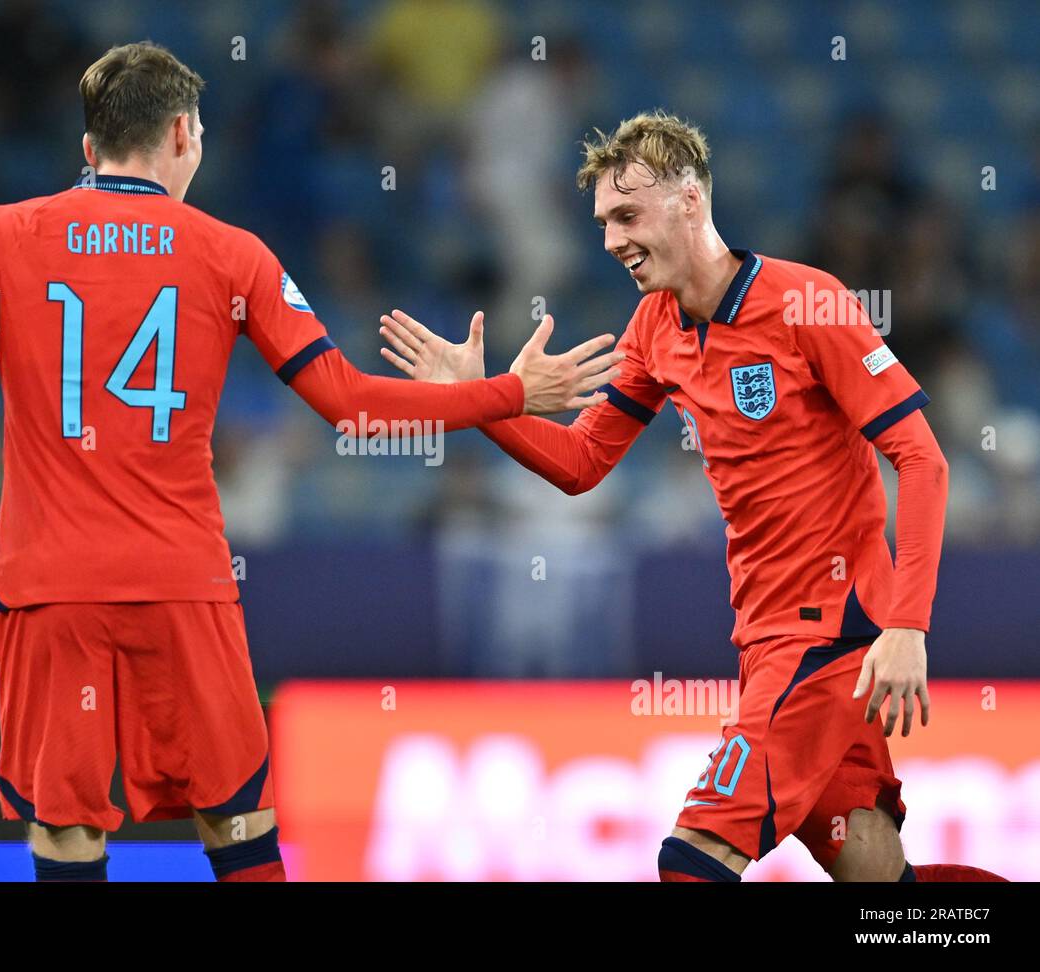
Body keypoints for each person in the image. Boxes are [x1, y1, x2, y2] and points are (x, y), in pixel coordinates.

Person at [0, 41, 622, 882]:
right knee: (237, 821)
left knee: (67, 831)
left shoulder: (0, 235)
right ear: (185, 136)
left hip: (49, 586)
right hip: (183, 580)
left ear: (89, 150)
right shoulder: (232, 254)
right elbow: (351, 406)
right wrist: (505, 395)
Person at [378, 110, 1007, 882]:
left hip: (832, 636)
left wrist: (907, 625)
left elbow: (923, 459)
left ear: (690, 199)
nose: (611, 240)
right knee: (884, 888)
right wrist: (484, 398)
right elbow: (581, 460)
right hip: (763, 636)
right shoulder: (654, 329)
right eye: (605, 222)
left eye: (627, 215)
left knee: (691, 858)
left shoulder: (809, 303)